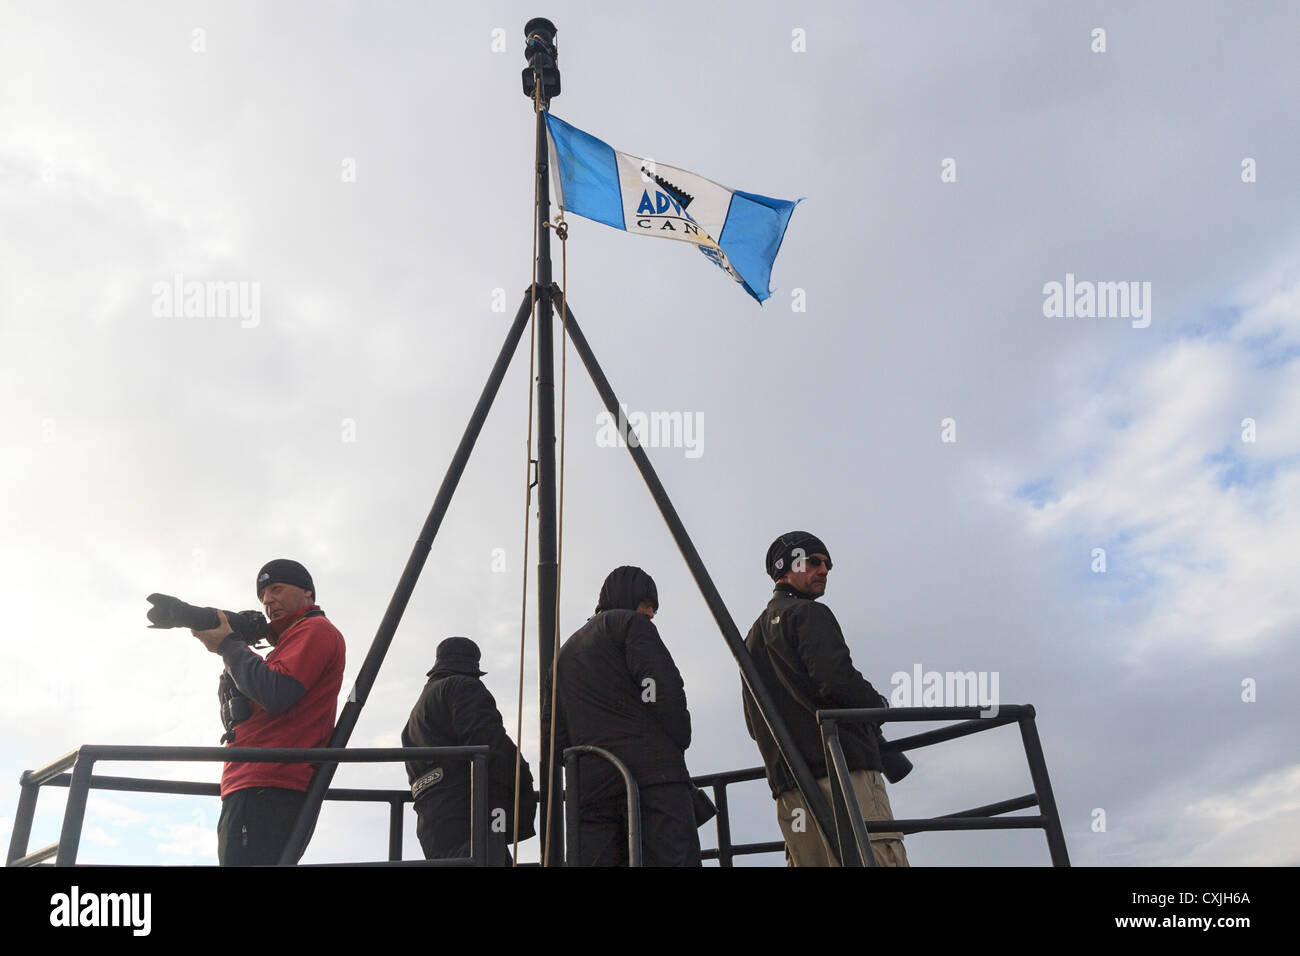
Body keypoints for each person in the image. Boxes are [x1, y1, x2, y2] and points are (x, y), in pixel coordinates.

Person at [741, 532, 909, 867]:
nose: (824, 570)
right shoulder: (808, 614)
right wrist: (877, 706)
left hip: (791, 787)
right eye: (814, 561)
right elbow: (837, 682)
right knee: (873, 854)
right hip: (844, 772)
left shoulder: (751, 639)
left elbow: (752, 723)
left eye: (827, 564)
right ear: (785, 568)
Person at [191, 558, 346, 866]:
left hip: (270, 782)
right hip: (254, 781)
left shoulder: (315, 630)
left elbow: (276, 692)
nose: (268, 601)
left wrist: (230, 647)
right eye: (263, 597)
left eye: (276, 589)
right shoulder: (287, 643)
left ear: (307, 593)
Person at [547, 566, 701, 867]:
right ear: (629, 599)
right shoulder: (631, 625)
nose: (651, 613)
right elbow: (662, 687)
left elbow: (553, 736)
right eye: (646, 604)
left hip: (589, 791)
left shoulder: (561, 656)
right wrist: (678, 741)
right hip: (655, 781)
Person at [401, 637, 535, 866]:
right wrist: (522, 779)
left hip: (432, 822)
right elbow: (490, 744)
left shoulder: (416, 713)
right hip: (468, 817)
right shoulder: (463, 687)